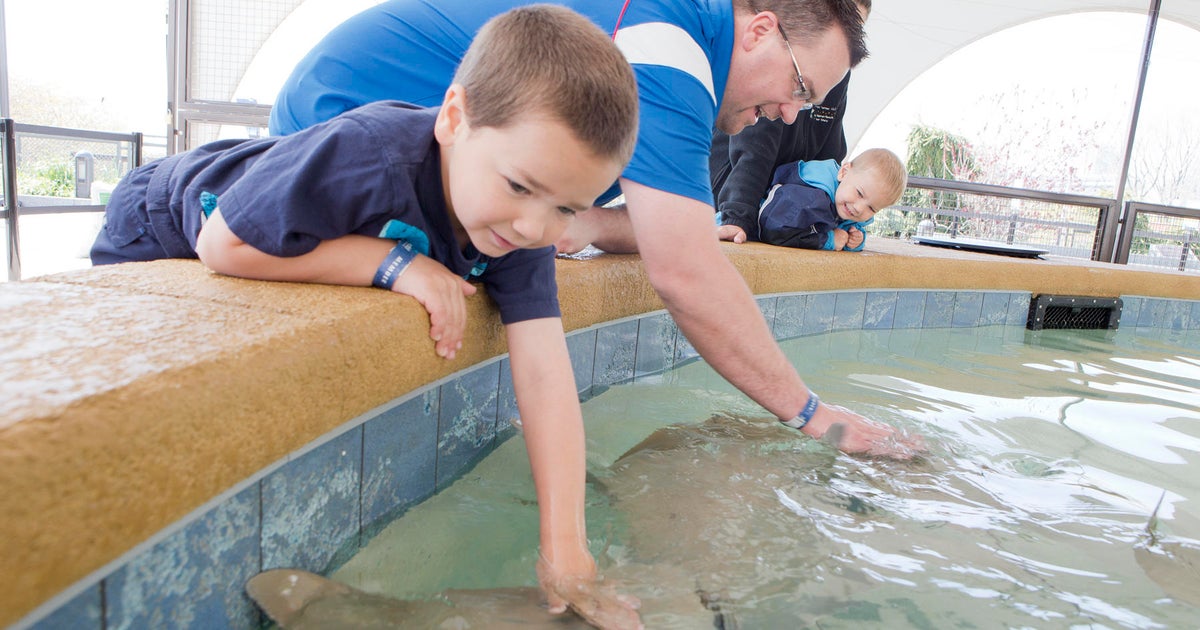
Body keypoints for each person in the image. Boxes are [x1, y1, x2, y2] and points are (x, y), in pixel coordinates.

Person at [91, 7, 643, 628]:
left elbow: (545, 374)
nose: (534, 226)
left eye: (567, 209)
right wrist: (393, 264)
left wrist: (566, 548)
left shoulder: (520, 229)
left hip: (252, 227)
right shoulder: (371, 151)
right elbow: (221, 245)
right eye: (519, 186)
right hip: (160, 219)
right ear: (454, 119)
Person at [270, 0, 921, 461]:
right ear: (758, 31)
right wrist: (815, 416)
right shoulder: (671, 51)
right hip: (334, 145)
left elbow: (647, 231)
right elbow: (685, 271)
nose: (789, 114)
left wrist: (614, 225)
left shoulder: (684, 47)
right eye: (799, 87)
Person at [710, 0, 870, 245]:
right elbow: (754, 149)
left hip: (776, 199)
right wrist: (737, 215)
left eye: (857, 28)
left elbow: (829, 151)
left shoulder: (837, 74)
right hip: (731, 191)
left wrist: (833, 219)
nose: (851, 34)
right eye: (845, 20)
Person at [753, 147, 907, 250]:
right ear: (844, 172)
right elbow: (774, 231)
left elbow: (849, 226)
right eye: (860, 193)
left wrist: (855, 239)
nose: (859, 208)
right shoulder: (811, 198)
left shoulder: (846, 198)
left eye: (872, 208)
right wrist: (828, 240)